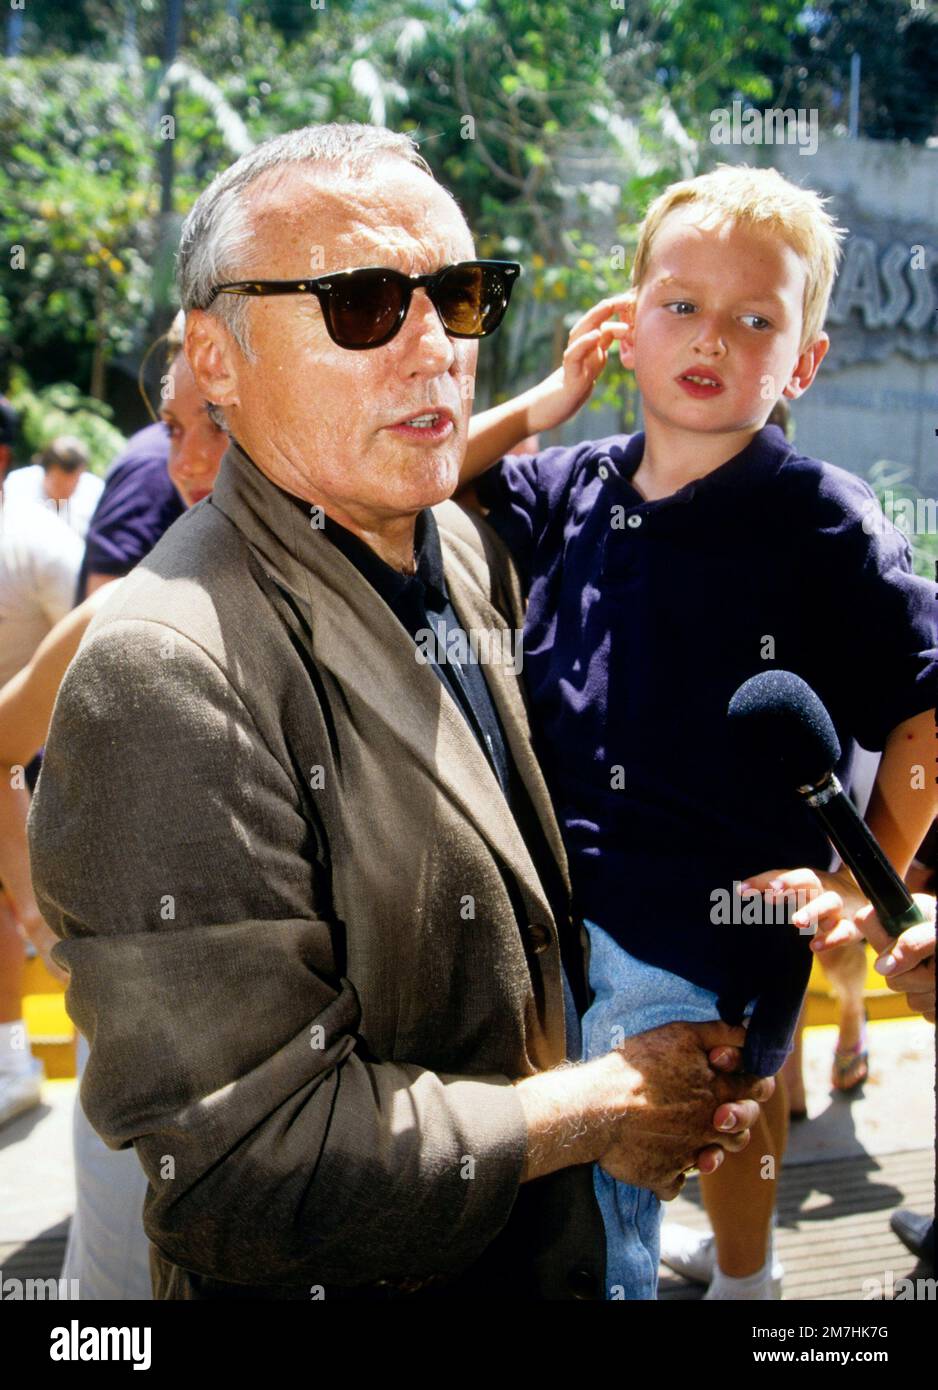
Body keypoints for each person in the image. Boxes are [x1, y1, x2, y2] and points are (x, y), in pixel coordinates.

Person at [27, 123, 774, 1302]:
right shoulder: (163, 670)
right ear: (215, 360)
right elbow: (241, 1170)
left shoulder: (465, 553)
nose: (433, 346)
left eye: (459, 295)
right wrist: (592, 1109)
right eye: (365, 302)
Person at [459, 163, 937, 1298]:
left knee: (599, 1220)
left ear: (803, 363)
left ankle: (739, 1276)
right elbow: (426, 477)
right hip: (554, 916)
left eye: (754, 318)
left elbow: (923, 710)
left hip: (692, 937)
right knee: (575, 1199)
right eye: (677, 304)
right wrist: (542, 401)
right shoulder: (572, 483)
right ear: (625, 326)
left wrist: (868, 881)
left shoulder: (821, 519)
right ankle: (720, 1272)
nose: (708, 335)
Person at [3, 436, 103, 538]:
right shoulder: (19, 485)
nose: (66, 491)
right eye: (59, 484)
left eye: (74, 484)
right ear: (45, 471)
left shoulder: (95, 492)